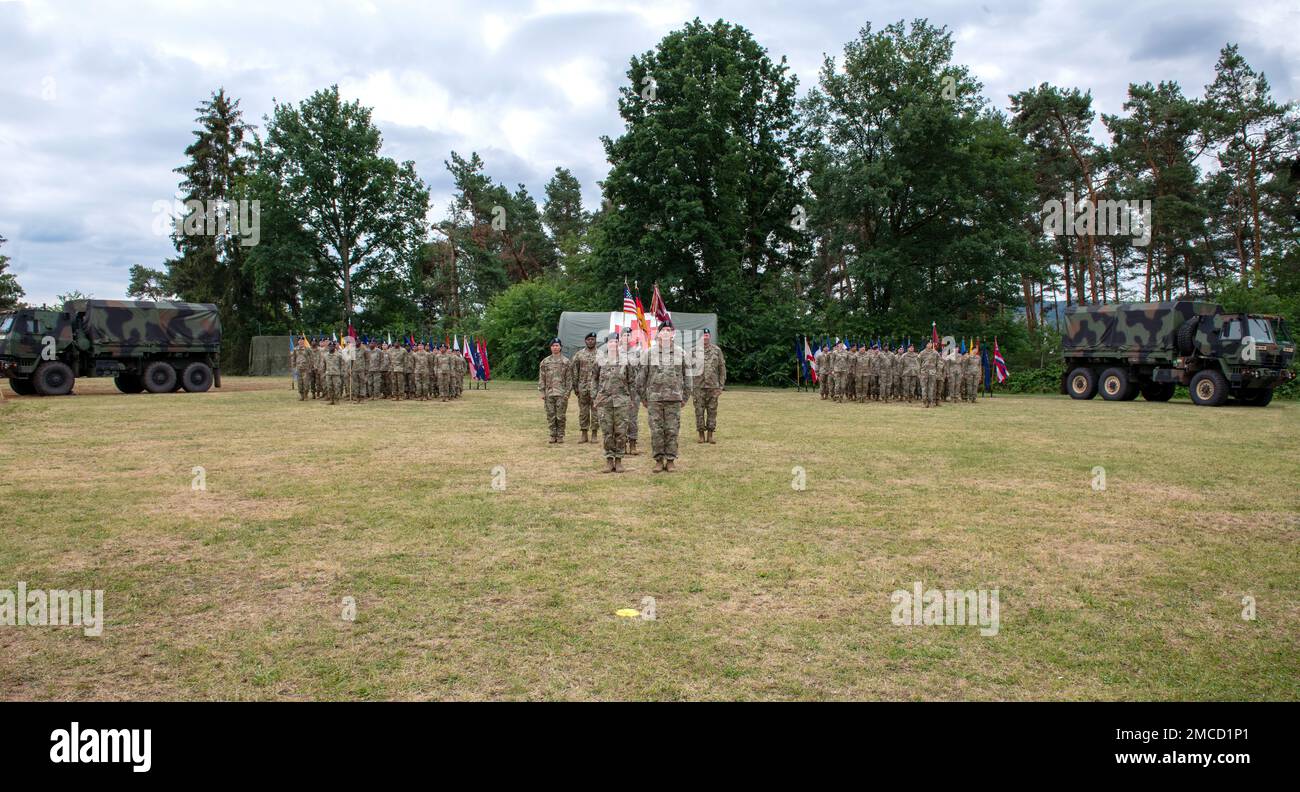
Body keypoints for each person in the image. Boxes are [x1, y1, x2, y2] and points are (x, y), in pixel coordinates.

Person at [642, 321, 692, 472]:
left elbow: (688, 376)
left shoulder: (681, 353)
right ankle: (658, 460)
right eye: (663, 330)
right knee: (656, 430)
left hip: (674, 399)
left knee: (672, 430)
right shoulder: (649, 353)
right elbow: (641, 377)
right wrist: (644, 398)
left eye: (668, 330)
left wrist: (685, 397)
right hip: (654, 399)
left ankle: (670, 460)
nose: (665, 333)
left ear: (672, 334)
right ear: (658, 334)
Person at [593, 331, 634, 472]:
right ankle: (609, 460)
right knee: (607, 432)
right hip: (604, 402)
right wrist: (595, 396)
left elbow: (632, 381)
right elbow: (594, 379)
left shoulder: (626, 361)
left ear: (618, 344)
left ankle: (619, 460)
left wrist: (631, 399)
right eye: (611, 342)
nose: (613, 344)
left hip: (622, 401)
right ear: (607, 344)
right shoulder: (600, 360)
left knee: (621, 432)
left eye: (616, 342)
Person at [693, 328, 726, 443]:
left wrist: (721, 386)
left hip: (713, 387)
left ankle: (710, 434)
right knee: (699, 411)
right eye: (703, 335)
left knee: (712, 411)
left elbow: (722, 368)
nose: (705, 337)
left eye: (707, 335)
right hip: (698, 386)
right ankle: (701, 435)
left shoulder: (717, 350)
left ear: (709, 337)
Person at [538, 338, 571, 443]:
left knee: (560, 416)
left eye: (557, 345)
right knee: (551, 415)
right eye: (553, 346)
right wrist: (542, 392)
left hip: (561, 393)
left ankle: (560, 435)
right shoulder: (545, 362)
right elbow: (542, 378)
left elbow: (569, 379)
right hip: (549, 393)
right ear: (550, 347)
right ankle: (553, 435)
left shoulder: (566, 362)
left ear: (560, 347)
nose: (555, 347)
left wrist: (567, 393)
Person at [570, 332, 600, 443]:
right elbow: (574, 371)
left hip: (596, 388)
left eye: (592, 339)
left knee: (595, 411)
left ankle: (594, 434)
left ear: (595, 340)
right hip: (582, 387)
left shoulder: (601, 354)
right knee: (583, 411)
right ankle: (584, 433)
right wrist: (575, 386)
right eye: (588, 339)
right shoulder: (579, 355)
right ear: (585, 341)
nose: (590, 341)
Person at [919, 341, 941, 407]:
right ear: (926, 345)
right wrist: (919, 372)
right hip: (924, 373)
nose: (929, 345)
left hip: (932, 373)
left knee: (931, 388)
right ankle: (924, 402)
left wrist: (937, 372)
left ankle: (931, 402)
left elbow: (939, 363)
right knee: (924, 388)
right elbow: (918, 363)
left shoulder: (935, 353)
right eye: (928, 343)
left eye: (931, 344)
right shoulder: (922, 353)